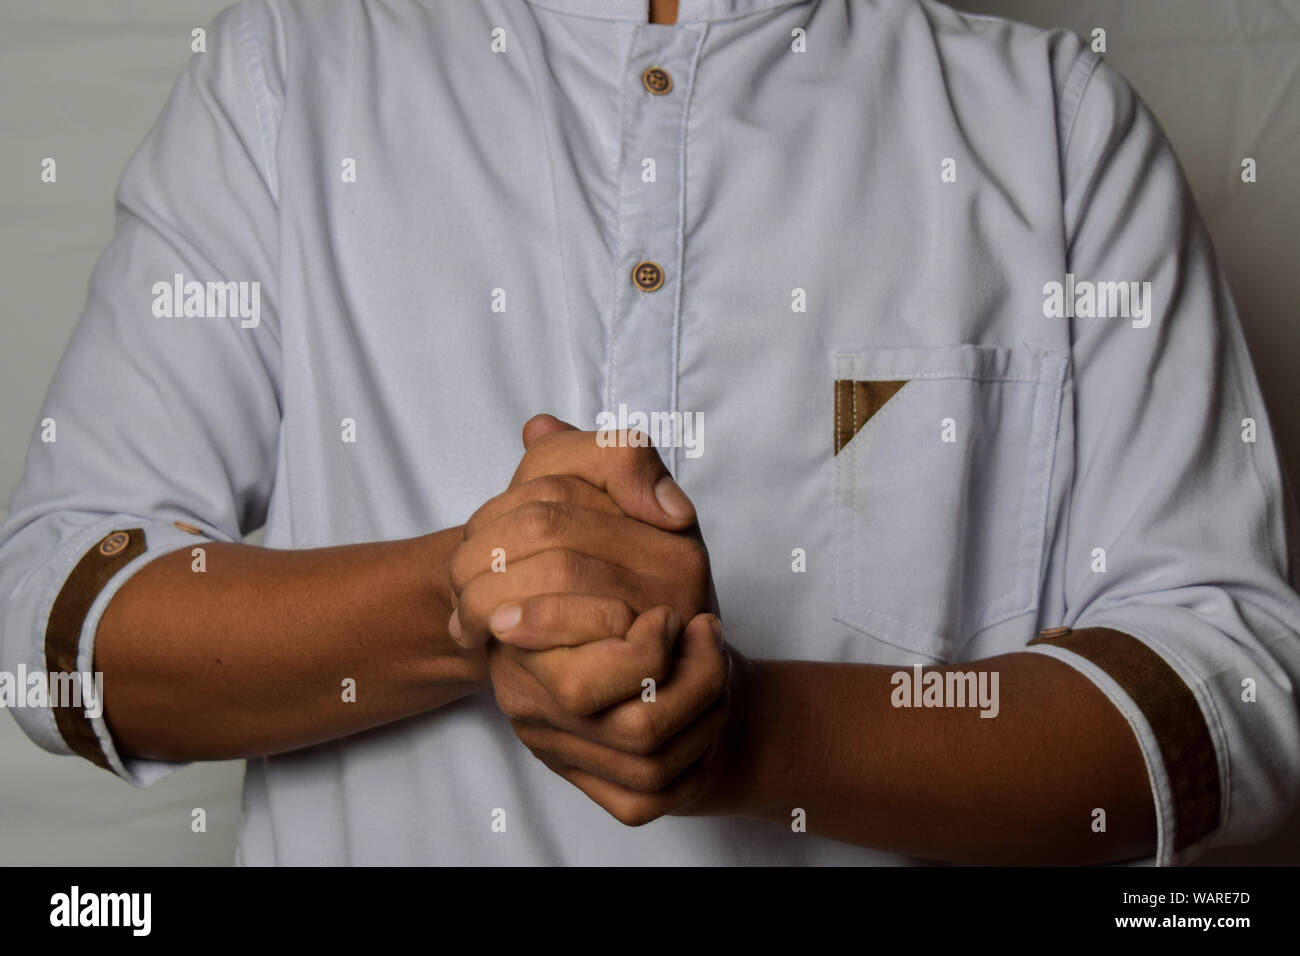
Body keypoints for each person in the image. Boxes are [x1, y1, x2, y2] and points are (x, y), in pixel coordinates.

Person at [1, 0, 1297, 866]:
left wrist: (759, 739)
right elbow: (54, 627)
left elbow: (1234, 686)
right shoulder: (295, 67)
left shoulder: (1057, 127)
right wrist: (461, 601)